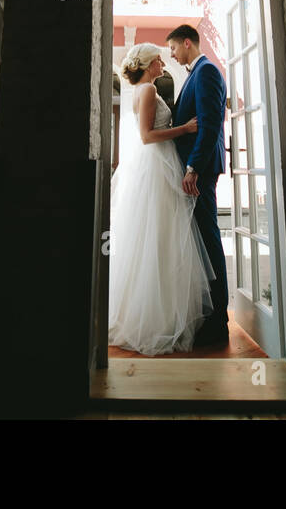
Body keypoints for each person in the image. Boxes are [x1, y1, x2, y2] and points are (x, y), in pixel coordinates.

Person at [107, 43, 217, 355]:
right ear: (147, 64)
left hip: (158, 164)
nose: (162, 62)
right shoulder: (147, 92)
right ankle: (155, 320)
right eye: (157, 59)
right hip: (156, 167)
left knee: (162, 239)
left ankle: (163, 314)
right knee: (158, 237)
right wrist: (184, 128)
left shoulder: (147, 90)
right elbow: (146, 136)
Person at [167, 24, 231, 345]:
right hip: (197, 169)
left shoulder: (206, 72)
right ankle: (211, 316)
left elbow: (209, 123)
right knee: (204, 240)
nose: (173, 56)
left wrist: (193, 166)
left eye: (175, 49)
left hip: (201, 171)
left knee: (209, 238)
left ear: (187, 43)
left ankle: (219, 322)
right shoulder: (197, 73)